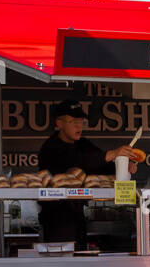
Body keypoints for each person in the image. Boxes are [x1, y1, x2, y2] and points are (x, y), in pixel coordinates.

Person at [37, 100, 141, 249]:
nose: (79, 126)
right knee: (61, 265)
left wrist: (124, 165)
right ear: (59, 123)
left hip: (78, 217)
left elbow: (102, 164)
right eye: (73, 121)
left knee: (80, 264)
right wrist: (112, 154)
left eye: (81, 121)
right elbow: (77, 162)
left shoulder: (83, 144)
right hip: (56, 221)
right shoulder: (50, 148)